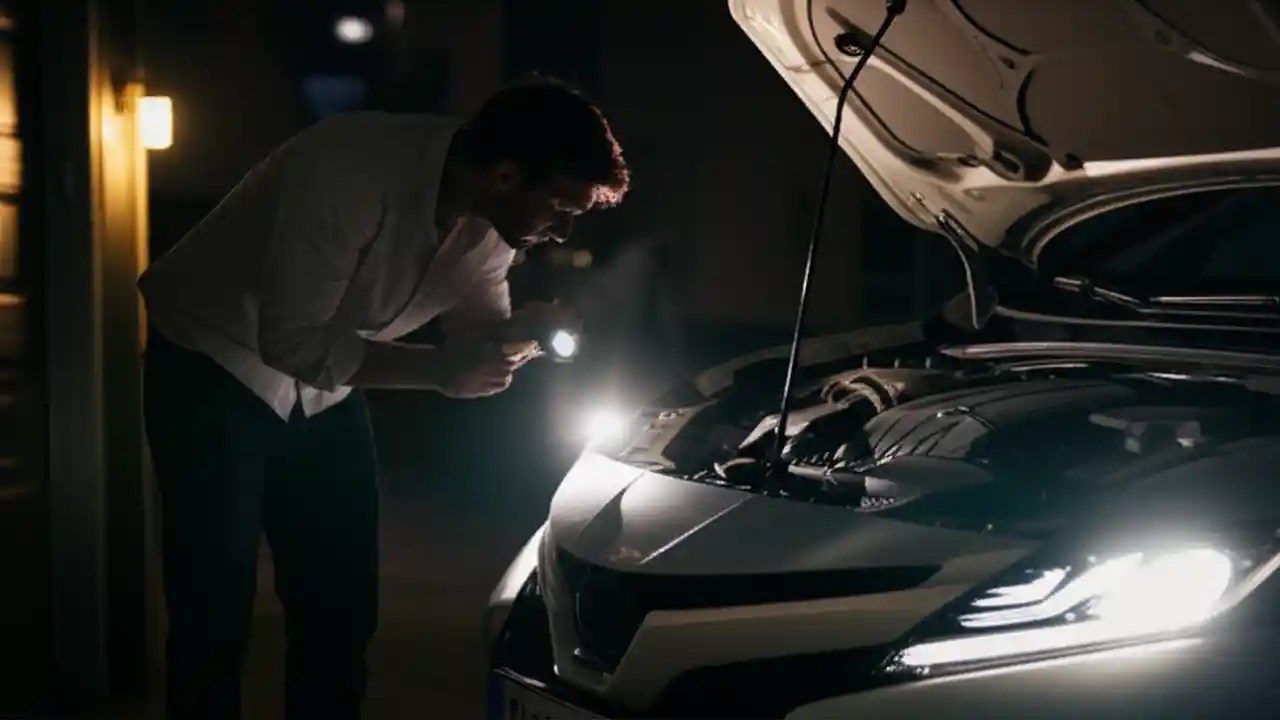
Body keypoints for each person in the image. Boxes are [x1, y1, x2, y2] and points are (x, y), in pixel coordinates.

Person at [137, 77, 629, 719]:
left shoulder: (489, 223)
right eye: (561, 207)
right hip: (212, 361)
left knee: (340, 610)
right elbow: (291, 341)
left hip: (327, 386)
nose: (563, 231)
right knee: (213, 608)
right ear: (506, 176)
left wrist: (521, 336)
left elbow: (473, 335)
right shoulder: (350, 169)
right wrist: (437, 374)